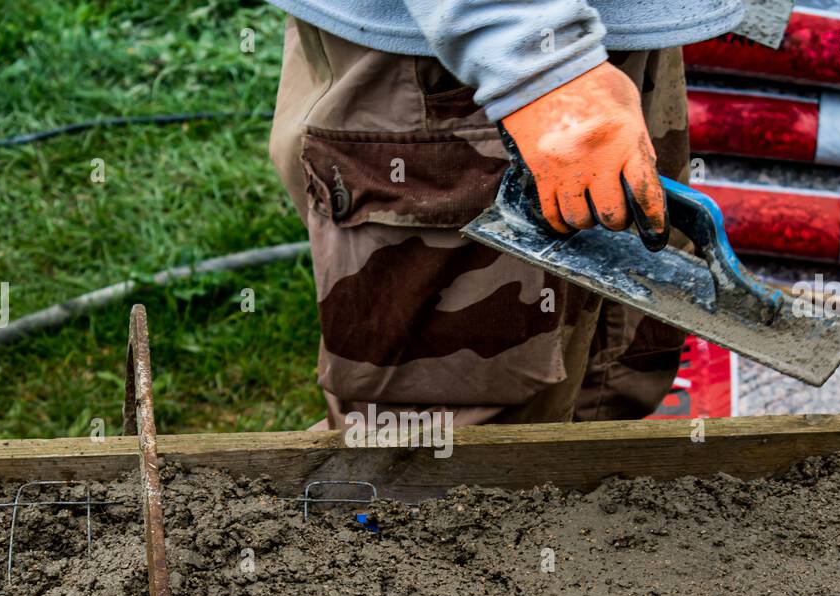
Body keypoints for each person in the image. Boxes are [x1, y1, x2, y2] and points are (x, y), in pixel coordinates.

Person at [266, 0, 744, 428]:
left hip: (607, 37)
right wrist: (542, 65)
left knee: (613, 385)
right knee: (443, 455)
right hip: (475, 57)